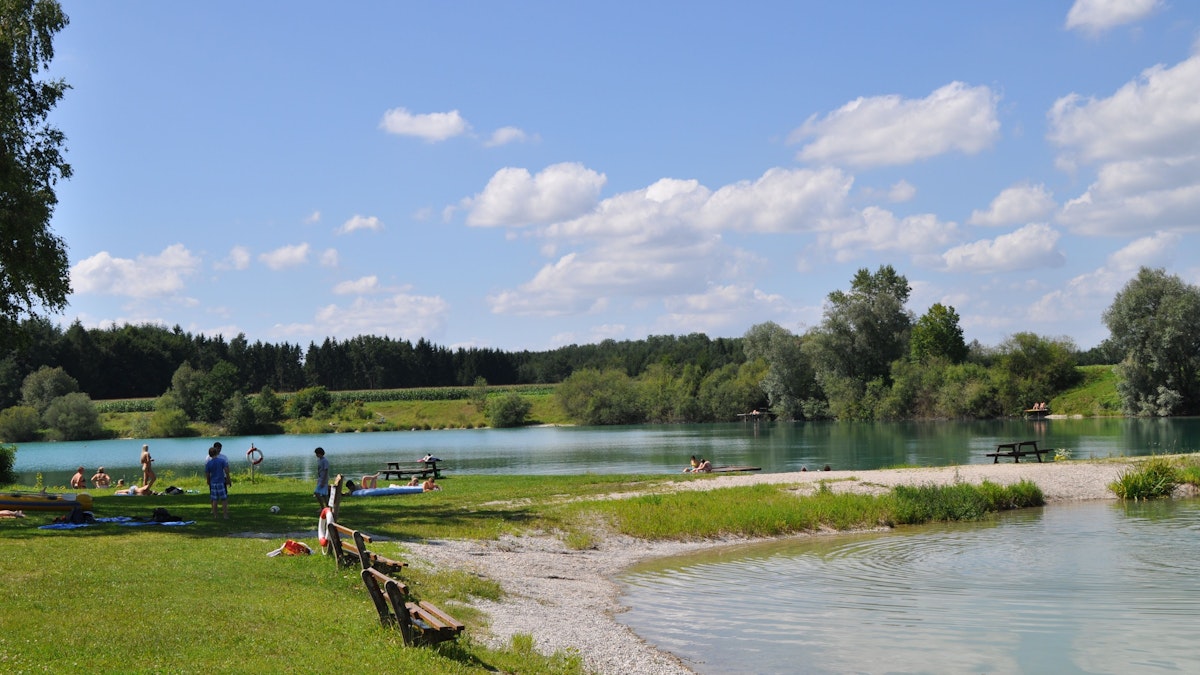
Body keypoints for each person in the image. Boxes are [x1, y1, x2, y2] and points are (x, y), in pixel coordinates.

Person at [205, 443, 231, 519]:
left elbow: (207, 474)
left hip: (213, 482)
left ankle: (215, 515)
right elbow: (226, 471)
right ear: (216, 453)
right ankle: (225, 515)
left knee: (214, 499)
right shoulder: (222, 461)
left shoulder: (209, 463)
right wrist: (228, 479)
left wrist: (208, 481)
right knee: (224, 499)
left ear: (210, 455)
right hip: (221, 481)